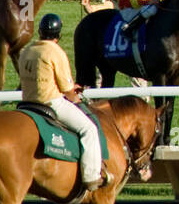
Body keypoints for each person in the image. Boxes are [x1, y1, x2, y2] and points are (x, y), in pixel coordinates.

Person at [17, 13, 110, 192]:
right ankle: (91, 176)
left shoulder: (27, 50)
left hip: (27, 103)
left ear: (39, 31)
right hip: (51, 103)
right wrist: (76, 94)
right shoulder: (55, 52)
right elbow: (68, 91)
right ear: (59, 35)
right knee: (89, 129)